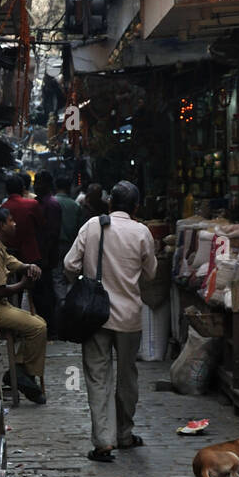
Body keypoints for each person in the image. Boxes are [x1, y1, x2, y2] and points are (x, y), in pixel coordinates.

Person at [63, 179, 157, 462]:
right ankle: (124, 434)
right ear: (136, 207)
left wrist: (83, 282)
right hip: (129, 317)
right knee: (127, 376)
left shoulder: (93, 226)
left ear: (110, 203)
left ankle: (104, 441)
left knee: (97, 377)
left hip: (95, 315)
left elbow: (69, 264)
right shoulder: (142, 232)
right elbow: (151, 273)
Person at [0, 207, 47, 405]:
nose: (14, 224)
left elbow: (13, 262)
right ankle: (21, 372)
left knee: (38, 323)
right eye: (11, 220)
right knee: (38, 327)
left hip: (0, 306)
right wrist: (23, 285)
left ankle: (19, 369)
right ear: (1, 225)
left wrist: (29, 267)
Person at [36, 170, 81, 308]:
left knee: (57, 278)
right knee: (67, 276)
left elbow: (50, 232)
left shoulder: (51, 203)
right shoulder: (75, 205)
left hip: (54, 248)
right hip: (70, 246)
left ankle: (62, 305)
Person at [2, 172, 42, 265]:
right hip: (30, 253)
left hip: (9, 254)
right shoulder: (32, 204)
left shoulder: (3, 207)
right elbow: (41, 225)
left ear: (7, 190)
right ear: (23, 188)